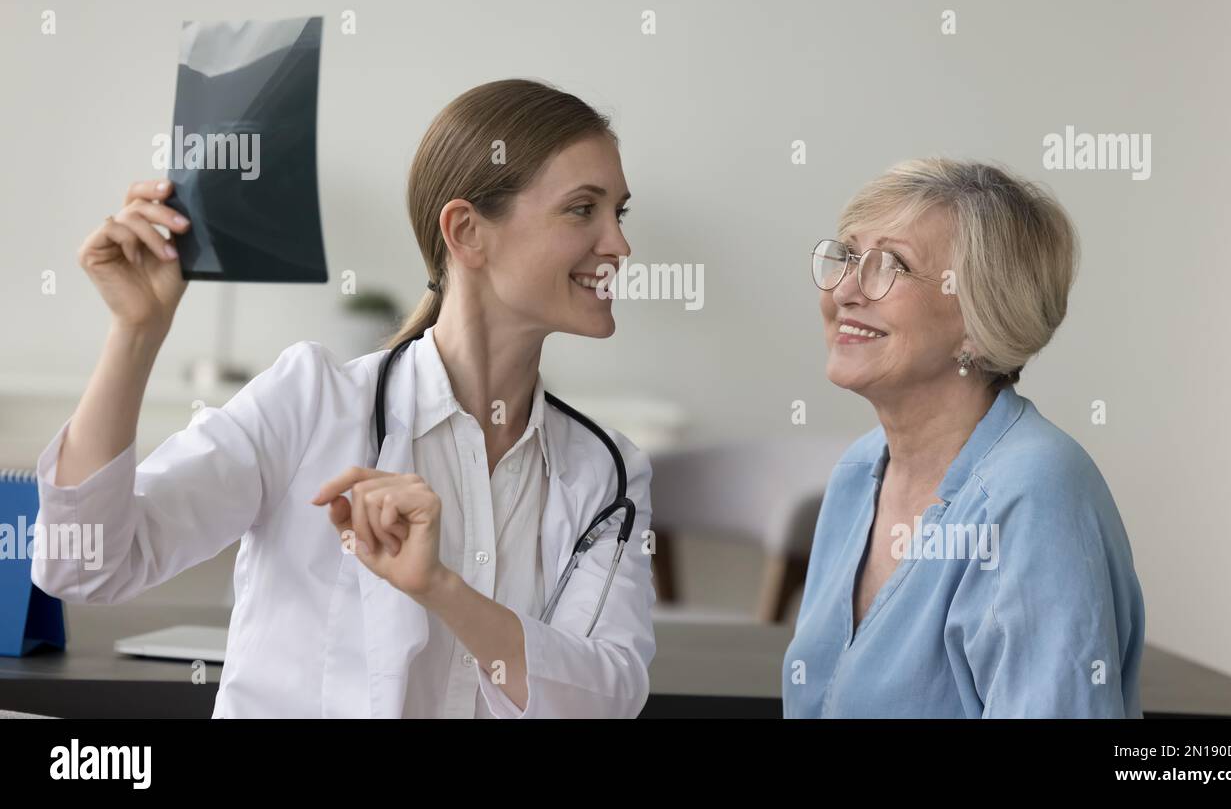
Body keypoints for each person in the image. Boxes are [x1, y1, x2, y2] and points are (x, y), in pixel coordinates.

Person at [31, 78, 654, 718]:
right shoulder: (312, 404)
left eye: (619, 213)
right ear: (467, 232)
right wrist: (136, 333)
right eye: (583, 209)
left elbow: (607, 699)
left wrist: (439, 587)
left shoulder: (605, 470)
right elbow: (83, 568)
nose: (619, 244)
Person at [783, 158, 1144, 718]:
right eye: (849, 255)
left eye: (892, 265)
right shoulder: (859, 471)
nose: (847, 288)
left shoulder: (1035, 493)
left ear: (982, 317)